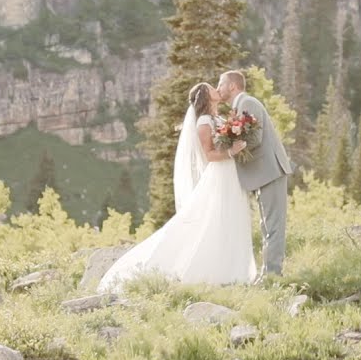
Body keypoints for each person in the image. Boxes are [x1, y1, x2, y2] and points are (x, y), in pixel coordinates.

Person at [96, 82, 256, 294]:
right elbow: (209, 154)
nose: (216, 88)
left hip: (230, 174)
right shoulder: (204, 121)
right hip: (219, 175)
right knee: (212, 219)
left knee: (231, 217)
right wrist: (232, 151)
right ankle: (210, 271)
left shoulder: (218, 118)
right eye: (211, 88)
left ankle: (235, 269)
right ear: (206, 97)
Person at [217, 69, 293, 277]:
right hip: (263, 174)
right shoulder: (239, 107)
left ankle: (272, 274)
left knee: (274, 226)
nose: (218, 88)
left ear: (232, 86)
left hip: (271, 171)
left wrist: (231, 148)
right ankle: (267, 272)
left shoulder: (247, 103)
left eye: (220, 84)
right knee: (267, 224)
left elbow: (254, 139)